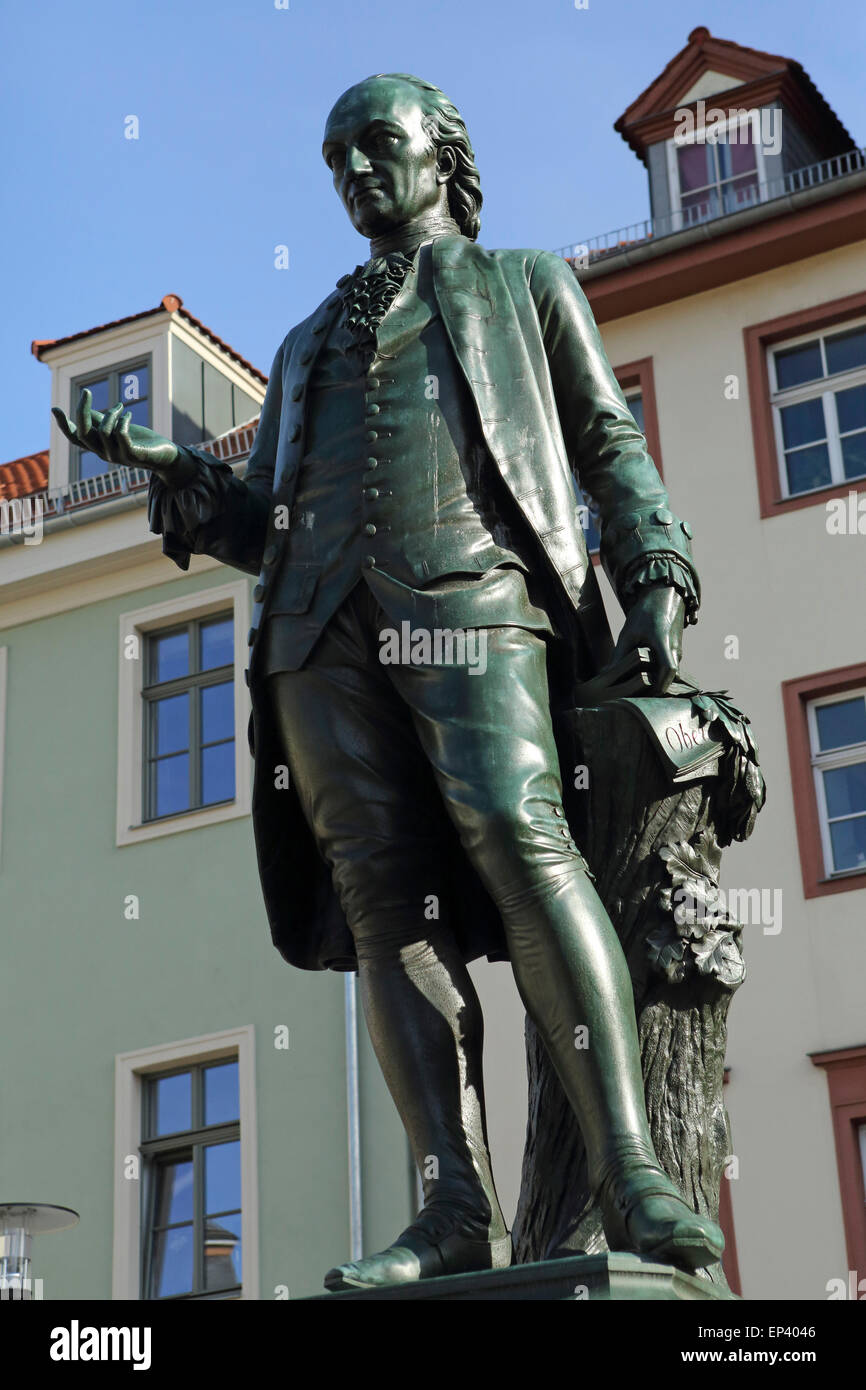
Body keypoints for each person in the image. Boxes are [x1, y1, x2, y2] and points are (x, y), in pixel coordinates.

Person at [54, 73, 723, 1291]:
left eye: (376, 146)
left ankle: (630, 1168)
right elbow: (269, 522)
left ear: (441, 155)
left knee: (523, 842)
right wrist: (172, 467)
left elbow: (603, 442)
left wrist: (658, 579)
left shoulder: (521, 285)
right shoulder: (306, 338)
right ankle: (451, 1204)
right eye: (334, 160)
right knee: (382, 907)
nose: (354, 172)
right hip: (316, 634)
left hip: (470, 598)